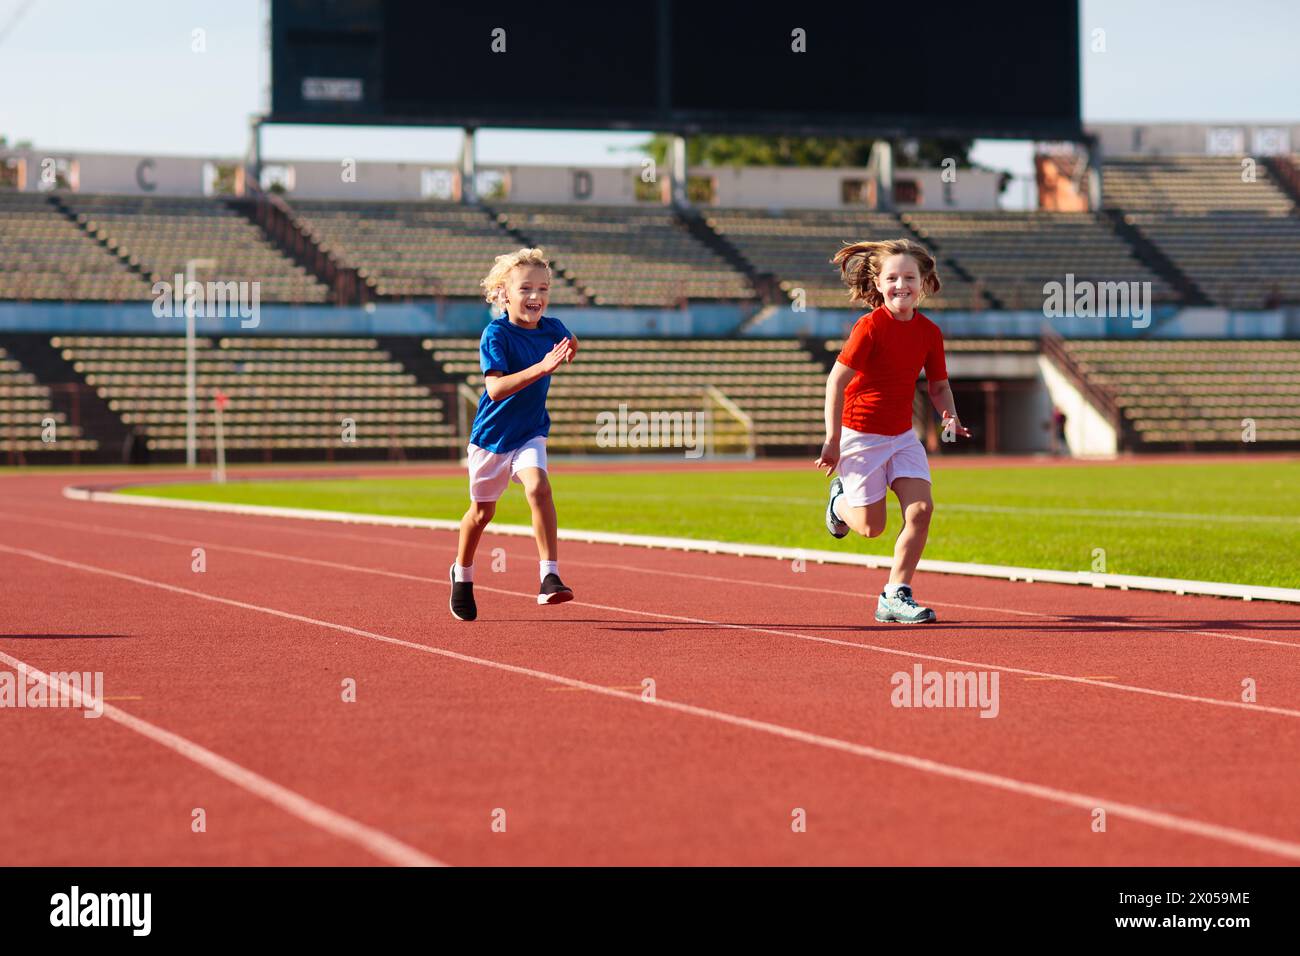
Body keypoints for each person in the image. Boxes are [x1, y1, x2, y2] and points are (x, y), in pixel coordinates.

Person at [814, 238, 970, 624]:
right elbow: (836, 382)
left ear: (924, 282)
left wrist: (948, 415)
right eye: (893, 278)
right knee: (871, 528)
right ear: (880, 284)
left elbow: (937, 385)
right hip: (860, 434)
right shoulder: (870, 328)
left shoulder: (929, 333)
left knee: (921, 510)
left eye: (909, 277)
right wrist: (833, 440)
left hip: (901, 436)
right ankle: (838, 503)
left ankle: (895, 593)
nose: (902, 284)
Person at [449, 248, 578, 621]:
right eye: (526, 289)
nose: (536, 297)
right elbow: (495, 390)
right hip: (491, 438)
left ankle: (549, 576)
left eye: (543, 288)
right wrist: (542, 367)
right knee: (481, 513)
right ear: (505, 293)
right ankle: (463, 572)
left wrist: (570, 350)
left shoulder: (552, 327)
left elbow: (571, 342)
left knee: (538, 487)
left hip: (530, 432)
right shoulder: (496, 334)